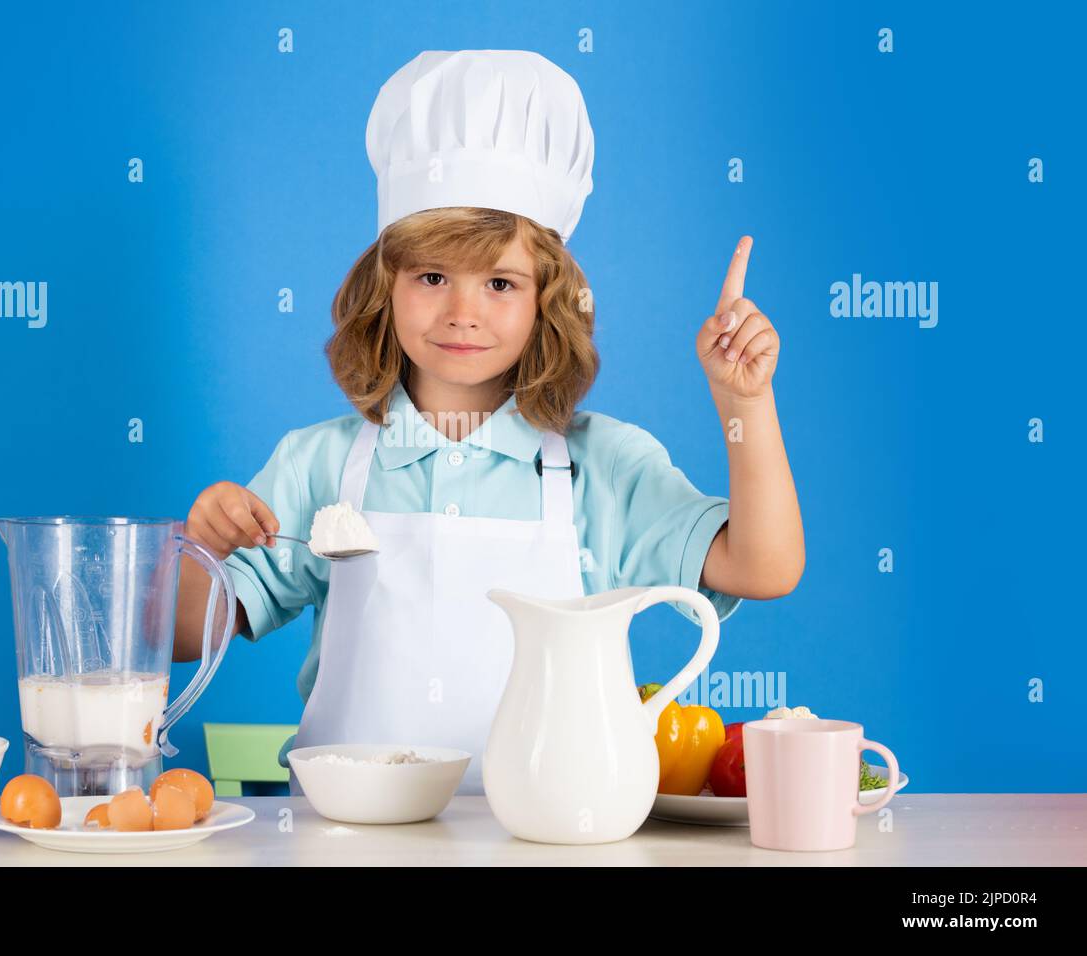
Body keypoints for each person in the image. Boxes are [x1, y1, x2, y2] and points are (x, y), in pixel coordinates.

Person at [175, 50, 804, 795]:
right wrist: (201, 547)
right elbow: (188, 637)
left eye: (500, 283)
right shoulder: (320, 466)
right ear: (387, 287)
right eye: (432, 276)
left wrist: (745, 405)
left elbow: (765, 568)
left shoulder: (601, 467)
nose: (462, 312)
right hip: (350, 840)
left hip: (550, 838)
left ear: (549, 300)